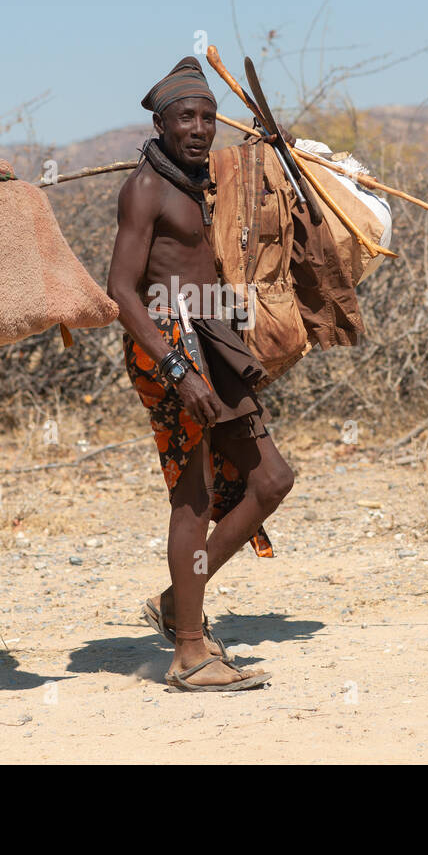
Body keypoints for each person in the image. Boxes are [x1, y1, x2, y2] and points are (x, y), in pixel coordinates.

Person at [106, 57, 296, 691]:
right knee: (193, 494)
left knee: (270, 479)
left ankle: (175, 601)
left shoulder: (199, 178)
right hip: (172, 349)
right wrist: (177, 369)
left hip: (214, 340)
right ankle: (189, 651)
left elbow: (254, 174)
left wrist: (277, 151)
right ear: (160, 123)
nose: (199, 127)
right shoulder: (146, 188)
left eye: (209, 117)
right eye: (186, 117)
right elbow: (121, 292)